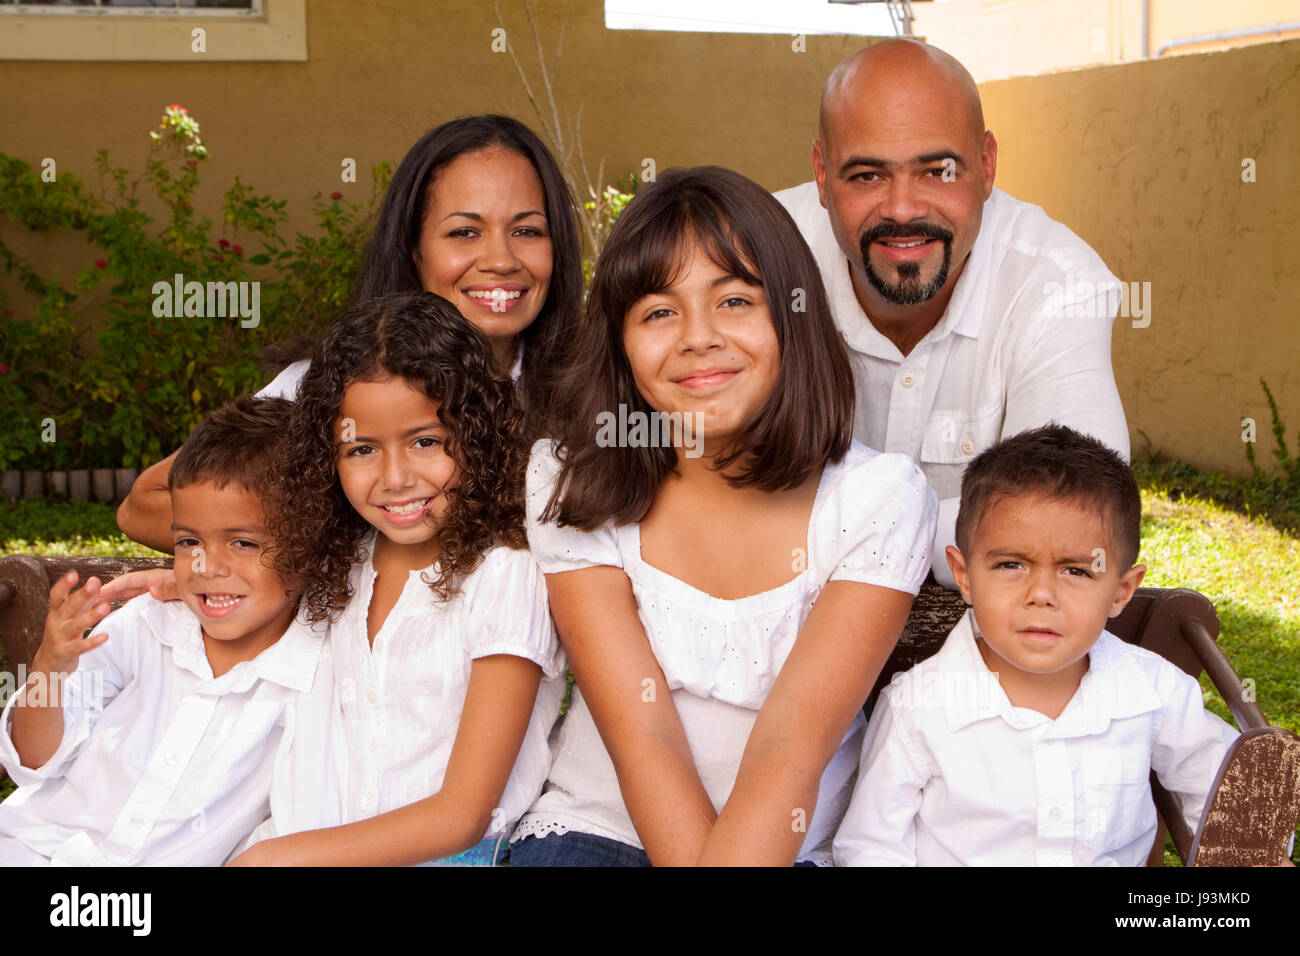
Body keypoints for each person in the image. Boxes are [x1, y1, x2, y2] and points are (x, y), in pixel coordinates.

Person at [510, 166, 938, 867]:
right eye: (658, 312)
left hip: (787, 848)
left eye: (735, 300)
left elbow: (788, 751)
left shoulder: (874, 501)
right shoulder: (577, 481)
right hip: (596, 832)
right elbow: (643, 737)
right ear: (620, 344)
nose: (698, 337)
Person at [116, 114, 583, 553]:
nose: (501, 260)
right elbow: (145, 505)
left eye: (527, 231)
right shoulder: (333, 383)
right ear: (414, 249)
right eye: (464, 232)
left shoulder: (589, 389)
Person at [776, 39, 1130, 589]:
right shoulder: (755, 258)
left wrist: (811, 531)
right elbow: (689, 478)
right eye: (867, 175)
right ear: (822, 174)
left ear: (986, 165)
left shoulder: (1058, 284)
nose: (902, 209)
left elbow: (1071, 520)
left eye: (937, 171)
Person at [227, 292, 565, 866]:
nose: (395, 477)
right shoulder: (340, 558)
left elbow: (462, 816)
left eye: (426, 441)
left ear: (478, 433)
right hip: (312, 842)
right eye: (361, 449)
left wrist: (277, 859)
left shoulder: (505, 573)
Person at [833, 424, 1243, 866]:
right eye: (1011, 564)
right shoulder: (916, 708)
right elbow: (870, 848)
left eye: (1076, 571)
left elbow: (1231, 792)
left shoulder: (1153, 693)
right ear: (964, 575)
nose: (1041, 595)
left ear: (1121, 591)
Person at [0, 396, 340, 866]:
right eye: (188, 541)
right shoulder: (147, 625)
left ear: (311, 548)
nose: (205, 566)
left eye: (243, 542)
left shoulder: (317, 675)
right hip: (30, 849)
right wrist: (49, 670)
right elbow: (35, 761)